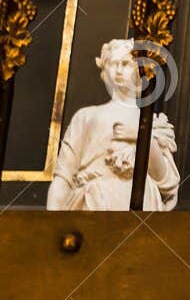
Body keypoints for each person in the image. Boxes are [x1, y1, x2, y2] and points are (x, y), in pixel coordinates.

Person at [47, 39, 180, 211]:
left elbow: (166, 181)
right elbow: (64, 177)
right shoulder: (86, 116)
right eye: (112, 64)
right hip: (94, 203)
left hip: (140, 204)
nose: (118, 70)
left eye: (125, 64)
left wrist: (141, 138)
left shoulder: (154, 123)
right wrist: (52, 220)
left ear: (141, 72)